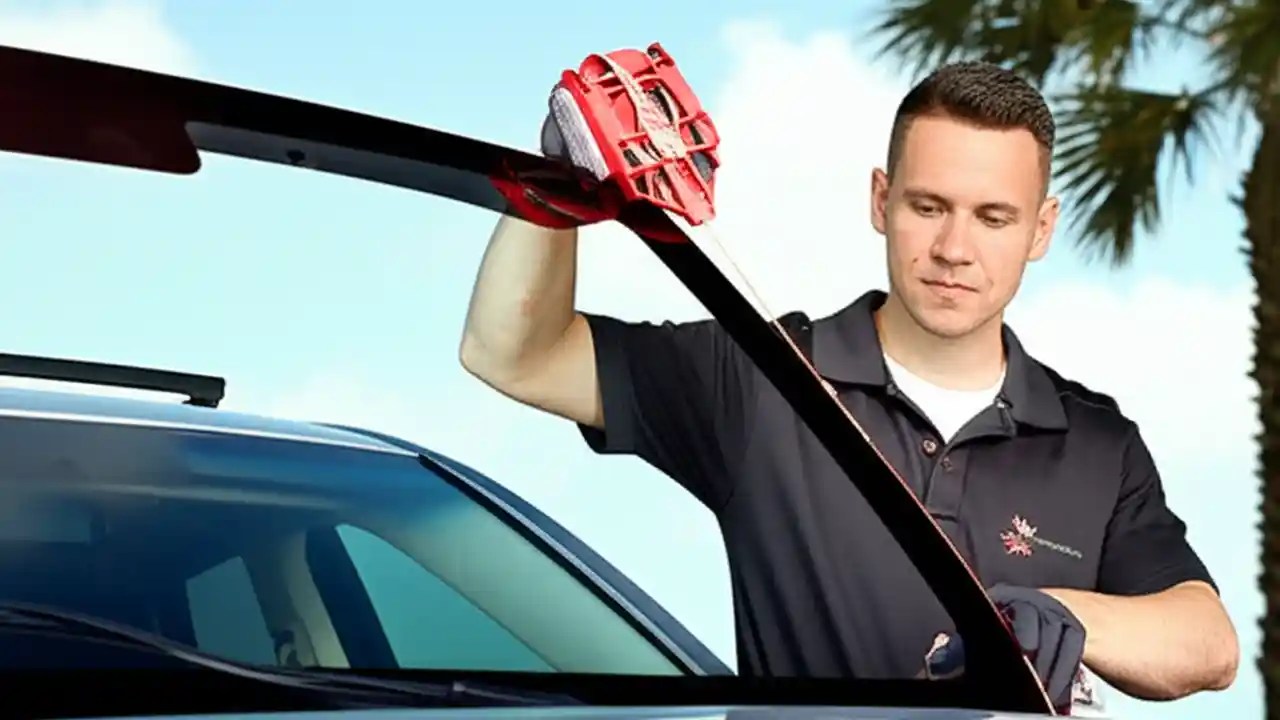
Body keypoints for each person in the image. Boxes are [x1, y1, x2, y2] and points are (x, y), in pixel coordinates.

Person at [459, 59, 1239, 706]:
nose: (953, 247)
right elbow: (514, 353)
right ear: (880, 200)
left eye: (993, 218)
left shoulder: (1096, 442)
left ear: (1041, 229)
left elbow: (1209, 644)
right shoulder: (761, 375)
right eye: (928, 206)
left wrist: (1060, 612)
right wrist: (552, 188)